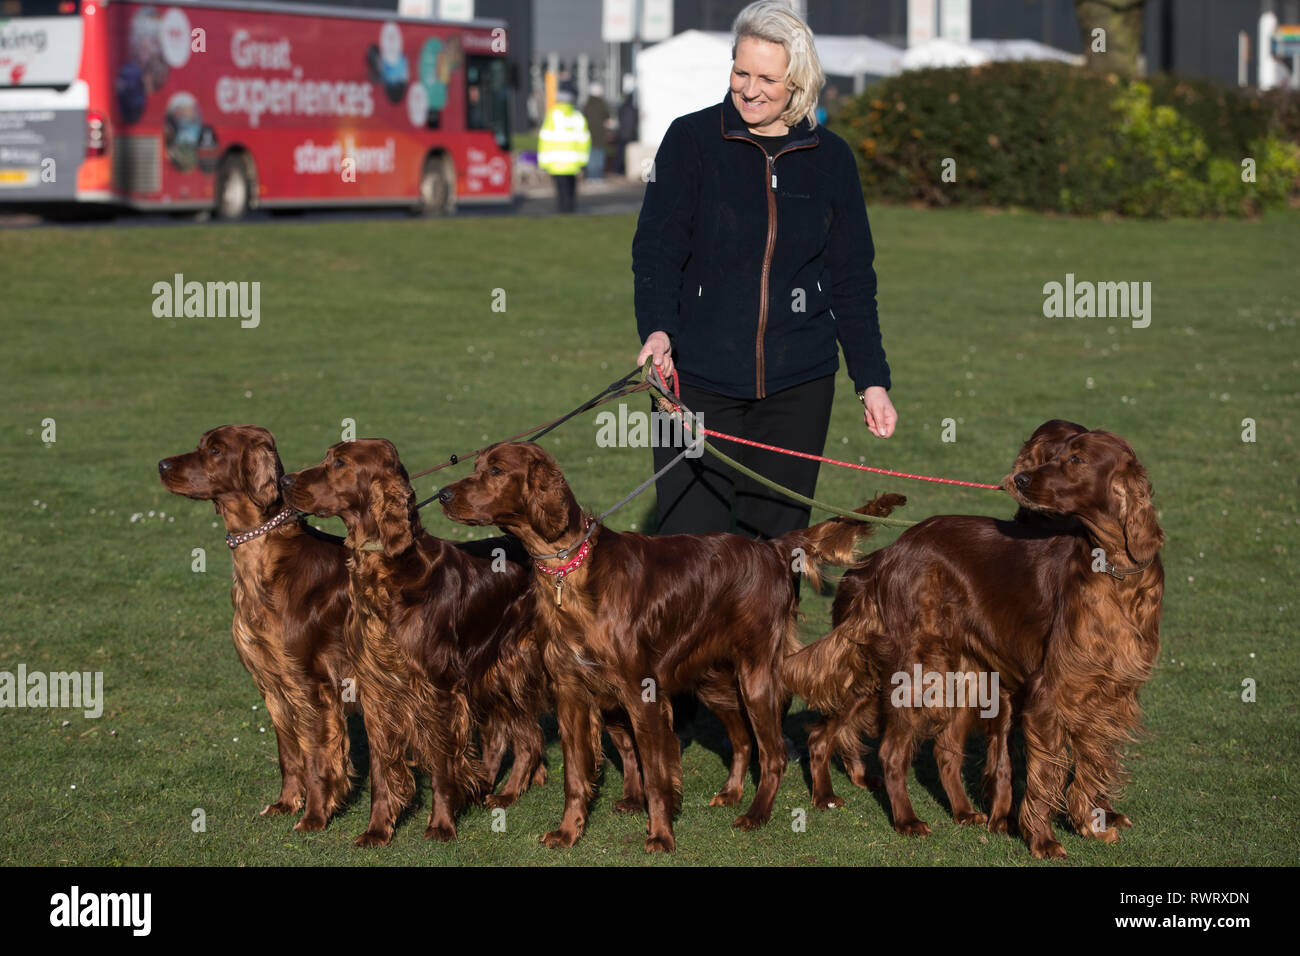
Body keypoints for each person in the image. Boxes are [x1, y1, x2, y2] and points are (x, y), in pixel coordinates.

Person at [632, 0, 897, 543]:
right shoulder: (692, 141)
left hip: (798, 385)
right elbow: (656, 250)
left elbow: (851, 279)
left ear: (798, 83)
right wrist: (658, 329)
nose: (749, 89)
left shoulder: (832, 159)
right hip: (695, 383)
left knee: (775, 563)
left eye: (767, 78)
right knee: (687, 558)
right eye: (740, 72)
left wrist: (871, 380)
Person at [538, 84, 590, 213]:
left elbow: (545, 139)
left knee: (561, 189)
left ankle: (563, 209)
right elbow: (584, 140)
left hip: (556, 162)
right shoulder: (578, 117)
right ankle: (570, 209)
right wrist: (583, 162)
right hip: (573, 162)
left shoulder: (552, 116)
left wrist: (543, 162)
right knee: (571, 187)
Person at [582, 82, 611, 180]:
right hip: (600, 134)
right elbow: (607, 118)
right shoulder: (602, 104)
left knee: (591, 155)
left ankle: (591, 176)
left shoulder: (586, 105)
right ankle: (598, 176)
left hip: (588, 133)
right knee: (599, 155)